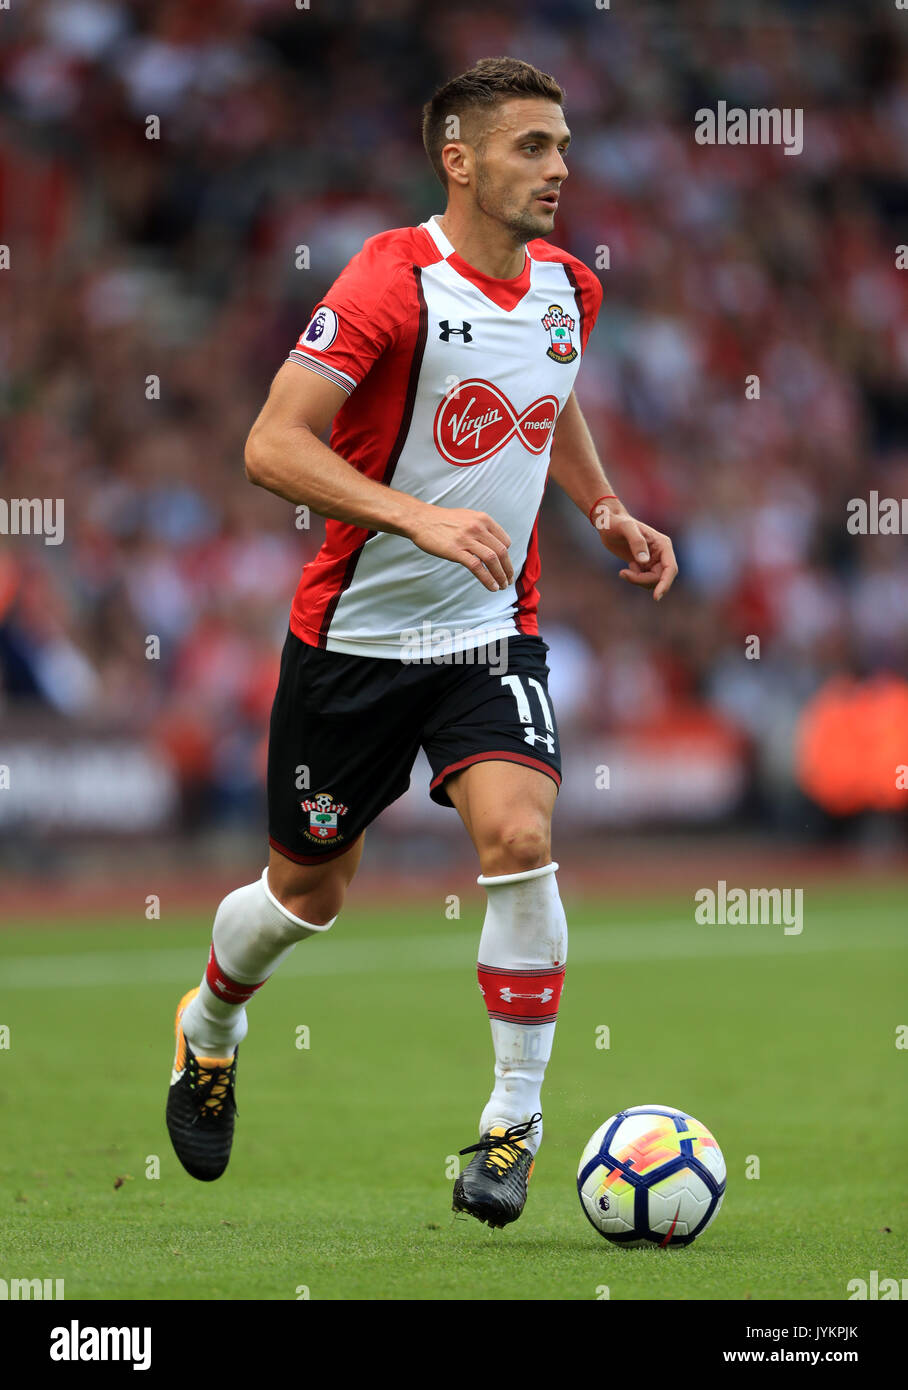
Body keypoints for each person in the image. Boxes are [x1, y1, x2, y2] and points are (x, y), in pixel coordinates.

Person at [165, 56, 677, 1228]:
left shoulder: (567, 288)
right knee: (304, 894)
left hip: (486, 636)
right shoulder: (391, 279)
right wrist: (418, 515)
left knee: (519, 830)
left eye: (562, 146)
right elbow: (269, 444)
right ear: (460, 159)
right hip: (350, 642)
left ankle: (511, 1125)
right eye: (531, 148)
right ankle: (208, 1026)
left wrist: (600, 506)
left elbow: (552, 393)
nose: (559, 169)